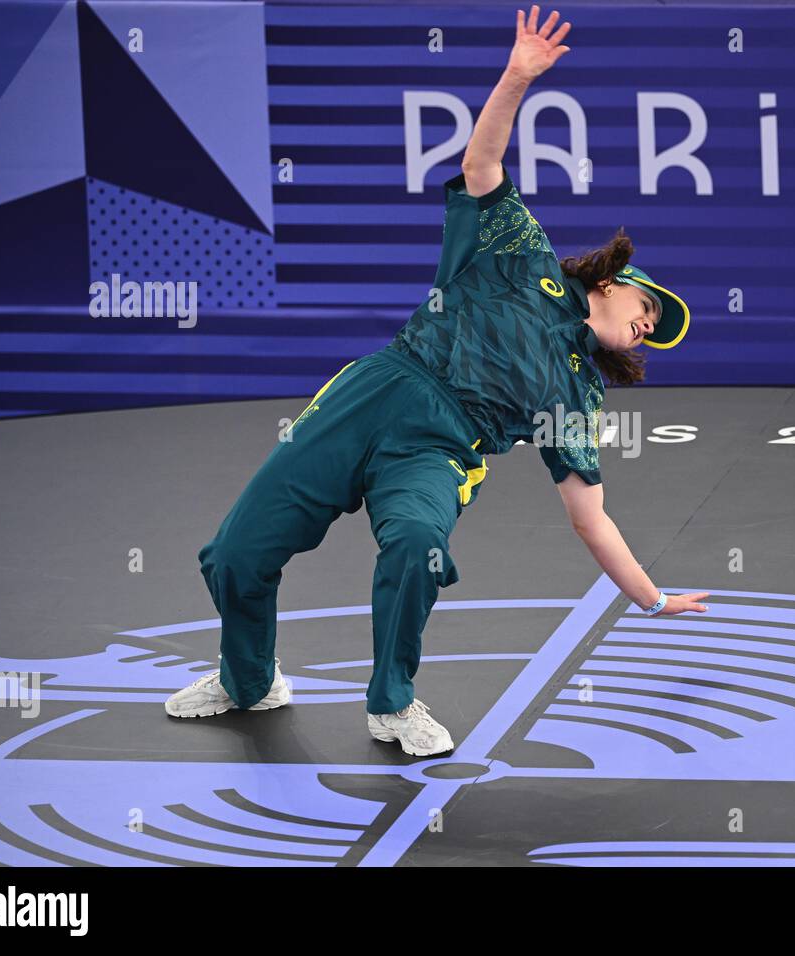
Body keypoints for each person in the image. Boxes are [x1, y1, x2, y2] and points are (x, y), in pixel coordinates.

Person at [164, 4, 710, 756]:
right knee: (235, 554)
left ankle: (392, 701)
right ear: (614, 283)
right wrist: (518, 76)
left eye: (657, 331)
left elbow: (590, 516)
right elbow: (481, 167)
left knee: (419, 540)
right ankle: (249, 681)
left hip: (442, 448)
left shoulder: (578, 392)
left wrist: (650, 600)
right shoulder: (522, 256)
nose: (648, 325)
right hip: (377, 391)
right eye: (650, 307)